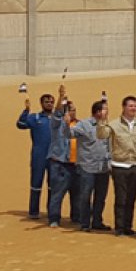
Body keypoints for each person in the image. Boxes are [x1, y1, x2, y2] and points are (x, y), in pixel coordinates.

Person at [97, 95, 136, 237]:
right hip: (119, 165)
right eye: (130, 106)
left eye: (135, 106)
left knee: (132, 198)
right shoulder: (113, 124)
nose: (133, 108)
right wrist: (102, 120)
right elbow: (101, 135)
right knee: (121, 198)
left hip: (135, 164)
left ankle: (128, 226)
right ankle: (119, 227)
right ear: (123, 107)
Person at [71, 100, 112, 232]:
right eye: (105, 109)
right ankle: (84, 223)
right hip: (87, 167)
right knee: (85, 195)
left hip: (103, 167)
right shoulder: (84, 124)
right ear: (98, 112)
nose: (108, 112)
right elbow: (68, 134)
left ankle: (97, 221)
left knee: (101, 197)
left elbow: (110, 146)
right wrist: (65, 123)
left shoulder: (107, 126)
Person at [15, 91, 54, 219]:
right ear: (41, 103)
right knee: (36, 184)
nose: (50, 104)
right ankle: (33, 211)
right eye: (47, 102)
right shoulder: (35, 117)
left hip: (54, 156)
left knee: (52, 186)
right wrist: (26, 110)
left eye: (51, 102)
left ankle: (51, 212)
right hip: (39, 156)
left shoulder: (57, 118)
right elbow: (20, 125)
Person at [45, 86, 77, 228]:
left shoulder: (80, 124)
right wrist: (61, 96)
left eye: (75, 110)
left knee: (77, 193)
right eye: (71, 110)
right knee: (57, 193)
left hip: (76, 164)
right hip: (59, 163)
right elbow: (57, 113)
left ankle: (76, 216)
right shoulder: (57, 124)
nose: (74, 112)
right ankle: (54, 218)